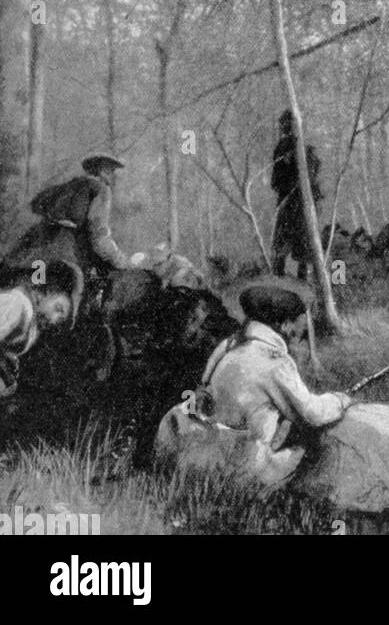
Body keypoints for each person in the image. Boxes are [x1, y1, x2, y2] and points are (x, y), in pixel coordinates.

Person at [155, 283, 350, 486]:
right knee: (318, 457)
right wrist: (340, 400)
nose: (300, 331)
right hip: (239, 463)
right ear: (284, 325)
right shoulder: (275, 362)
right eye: (297, 324)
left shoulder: (228, 345)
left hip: (199, 452)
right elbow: (311, 413)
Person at [2, 153, 132, 285]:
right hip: (66, 260)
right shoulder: (101, 190)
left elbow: (36, 206)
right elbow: (99, 236)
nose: (114, 175)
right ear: (102, 172)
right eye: (111, 170)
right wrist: (122, 261)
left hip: (31, 255)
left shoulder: (66, 187)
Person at [0, 261, 81, 397]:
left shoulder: (31, 324)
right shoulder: (17, 304)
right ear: (48, 291)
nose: (53, 319)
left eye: (60, 319)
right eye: (58, 308)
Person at [271, 110, 323, 281]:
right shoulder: (284, 148)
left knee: (301, 242)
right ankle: (282, 276)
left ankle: (299, 278)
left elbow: (312, 172)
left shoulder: (302, 148)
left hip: (300, 203)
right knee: (291, 241)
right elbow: (276, 181)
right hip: (292, 203)